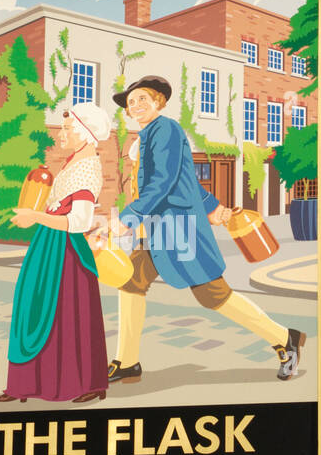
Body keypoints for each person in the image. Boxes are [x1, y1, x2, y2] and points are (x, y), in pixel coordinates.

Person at [105, 76, 306, 383]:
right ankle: (127, 361)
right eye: (131, 103)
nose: (135, 106)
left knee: (212, 294)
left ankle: (284, 338)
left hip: (179, 228)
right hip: (158, 229)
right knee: (131, 281)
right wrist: (213, 206)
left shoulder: (166, 130)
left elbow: (165, 180)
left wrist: (130, 215)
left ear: (159, 101)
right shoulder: (148, 135)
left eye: (142, 99)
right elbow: (185, 178)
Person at [0, 103, 111, 404]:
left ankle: (84, 383)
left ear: (85, 134)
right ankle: (26, 385)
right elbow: (60, 207)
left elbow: (80, 222)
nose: (61, 134)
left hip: (67, 253)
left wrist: (36, 218)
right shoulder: (72, 162)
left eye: (68, 129)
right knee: (33, 305)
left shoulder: (87, 168)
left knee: (65, 315)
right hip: (48, 246)